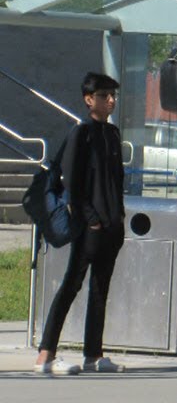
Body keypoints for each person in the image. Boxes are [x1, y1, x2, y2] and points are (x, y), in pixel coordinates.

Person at [34, 72, 128, 375]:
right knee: (71, 285)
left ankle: (94, 354)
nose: (110, 100)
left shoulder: (112, 134)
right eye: (104, 95)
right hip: (90, 226)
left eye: (112, 95)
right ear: (89, 100)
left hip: (112, 225)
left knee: (101, 288)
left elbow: (116, 180)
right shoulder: (81, 132)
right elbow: (72, 182)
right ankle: (45, 355)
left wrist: (119, 218)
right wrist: (90, 219)